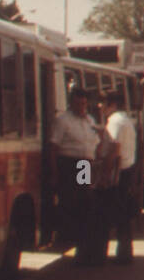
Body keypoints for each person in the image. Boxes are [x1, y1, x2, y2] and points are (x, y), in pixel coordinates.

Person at [49, 85, 103, 264]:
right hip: (69, 164)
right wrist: (55, 173)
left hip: (84, 165)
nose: (82, 106)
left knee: (86, 204)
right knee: (74, 206)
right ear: (71, 103)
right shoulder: (63, 121)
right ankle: (74, 245)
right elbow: (54, 147)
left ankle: (85, 248)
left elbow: (95, 142)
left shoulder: (89, 120)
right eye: (79, 103)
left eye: (85, 103)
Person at [98, 91, 137, 264]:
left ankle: (101, 253)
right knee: (122, 214)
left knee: (106, 213)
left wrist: (104, 176)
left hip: (113, 172)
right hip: (126, 169)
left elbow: (114, 150)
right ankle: (124, 253)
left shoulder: (114, 122)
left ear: (111, 105)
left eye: (102, 103)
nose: (100, 107)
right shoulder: (127, 121)